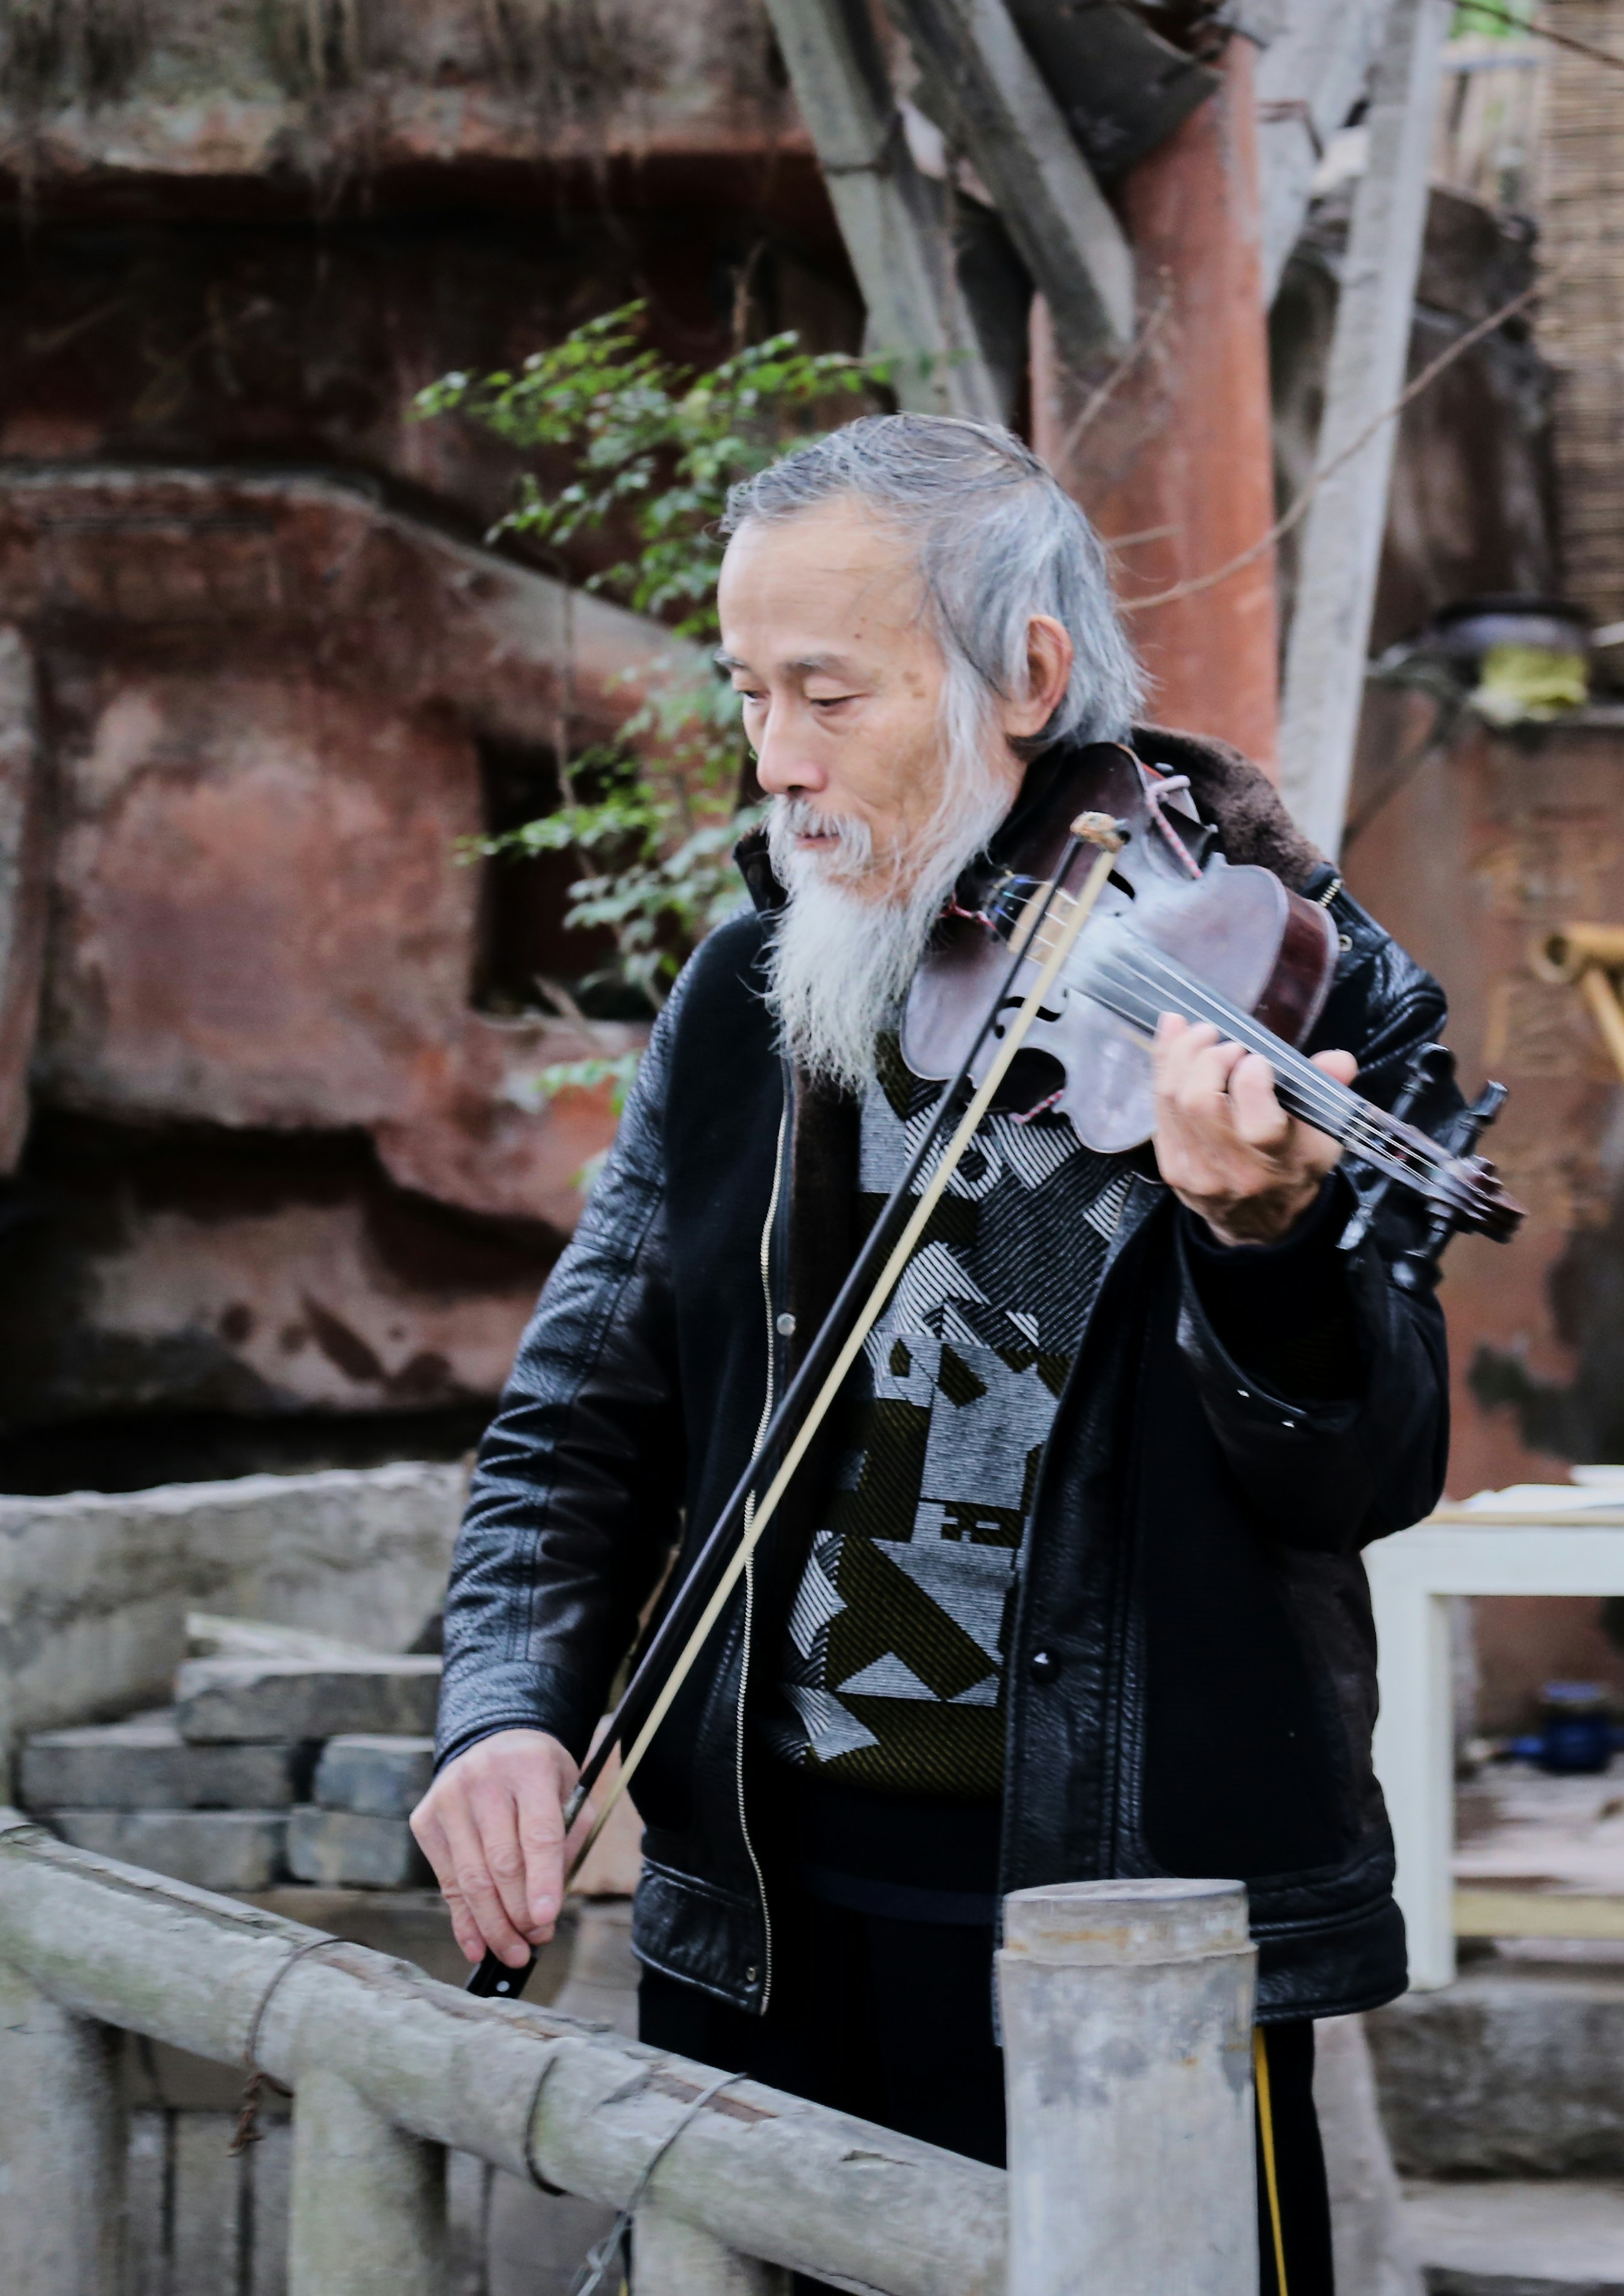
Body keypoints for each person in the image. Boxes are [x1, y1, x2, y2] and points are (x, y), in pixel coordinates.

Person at [414, 414, 1460, 2290]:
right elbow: (582, 1414)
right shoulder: (751, 1000)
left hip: (1129, 1927)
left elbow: (1360, 1471)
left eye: (832, 694)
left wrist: (1266, 1238)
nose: (782, 766)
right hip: (758, 1908)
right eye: (750, 696)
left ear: (1028, 676)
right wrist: (508, 1702)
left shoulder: (1302, 990)